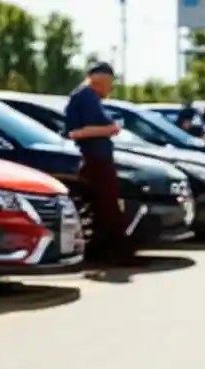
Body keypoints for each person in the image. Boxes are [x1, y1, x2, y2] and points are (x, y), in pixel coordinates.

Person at [63, 62, 138, 267]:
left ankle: (104, 252)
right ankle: (118, 254)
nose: (110, 88)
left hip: (96, 158)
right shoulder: (86, 96)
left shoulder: (86, 96)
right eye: (109, 82)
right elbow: (76, 131)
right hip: (96, 158)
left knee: (102, 208)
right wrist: (110, 130)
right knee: (108, 208)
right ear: (99, 79)